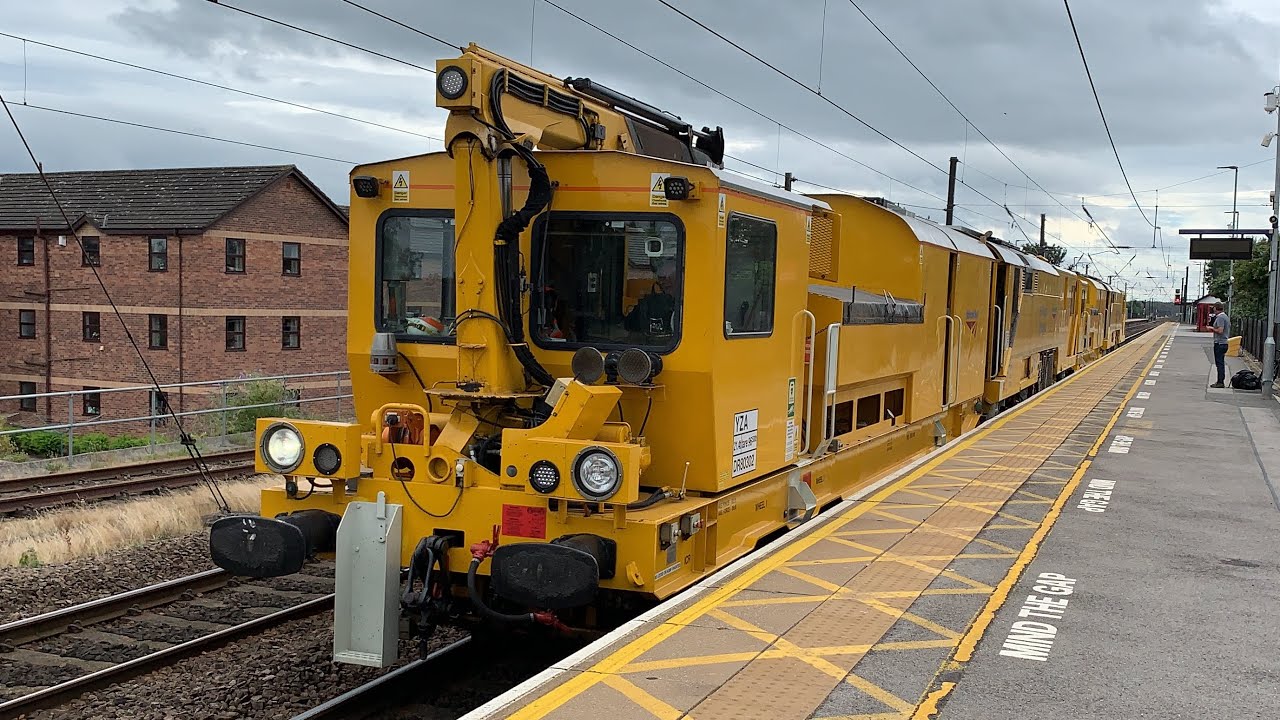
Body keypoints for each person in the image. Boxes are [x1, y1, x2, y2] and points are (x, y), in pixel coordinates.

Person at [1210, 301, 1230, 388]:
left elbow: (1220, 331)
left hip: (1220, 343)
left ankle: (1220, 382)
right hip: (1223, 343)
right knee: (1220, 362)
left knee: (1219, 363)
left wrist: (1211, 328)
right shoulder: (1225, 317)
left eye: (1213, 308)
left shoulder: (1220, 318)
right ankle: (1220, 381)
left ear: (1215, 308)